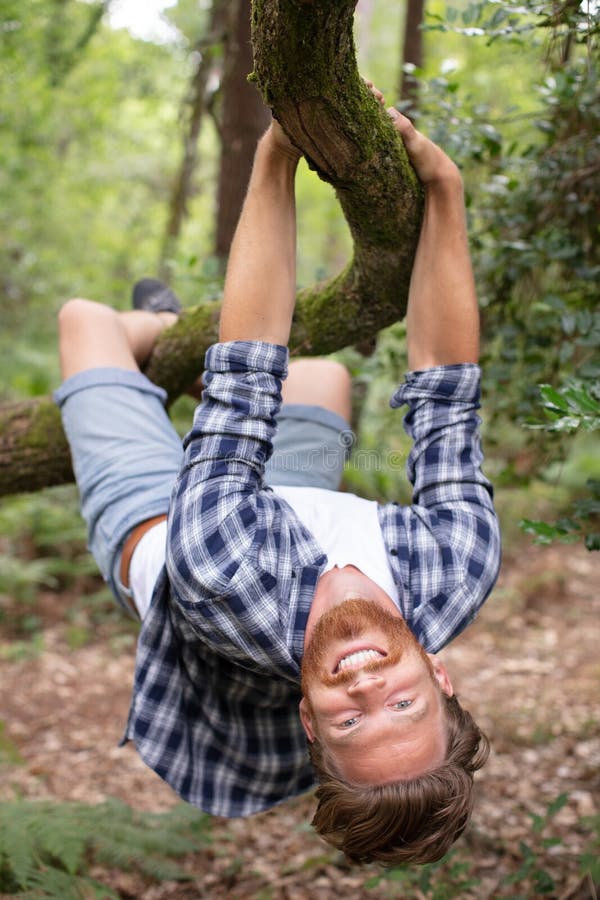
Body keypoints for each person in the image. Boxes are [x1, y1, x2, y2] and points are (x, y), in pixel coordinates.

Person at [54, 91, 501, 866]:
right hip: (277, 510)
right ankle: (187, 362)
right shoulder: (455, 568)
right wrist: (444, 188)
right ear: (439, 671)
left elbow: (247, 369)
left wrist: (276, 149)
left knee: (85, 322)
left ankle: (159, 334)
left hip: (161, 531)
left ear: (308, 719)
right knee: (322, 376)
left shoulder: (223, 572)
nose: (366, 688)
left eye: (351, 722)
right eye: (402, 704)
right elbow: (446, 389)